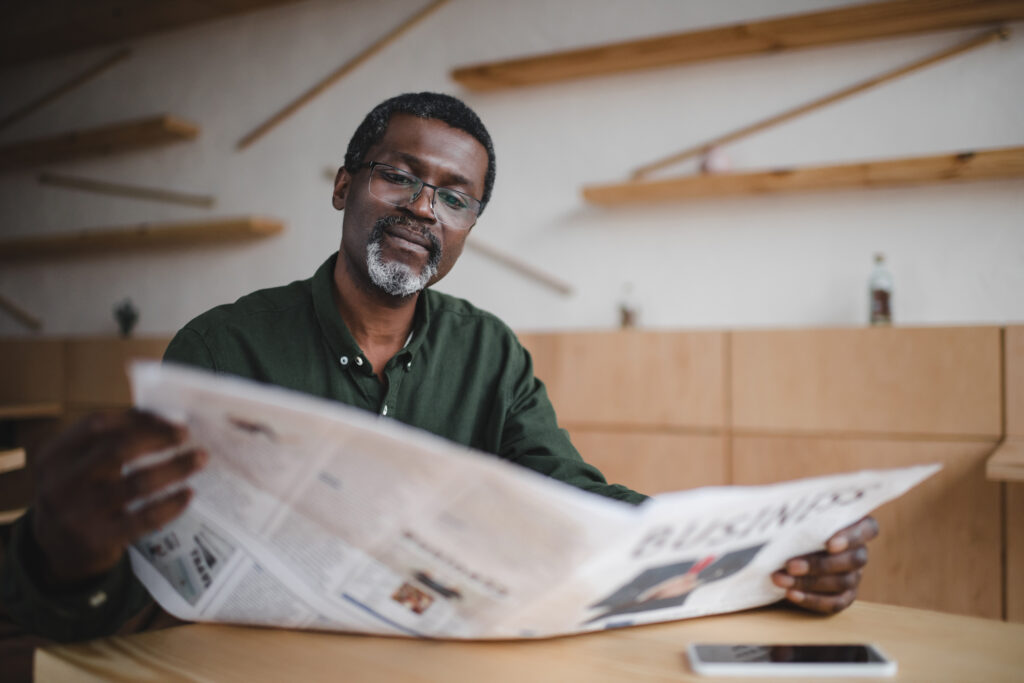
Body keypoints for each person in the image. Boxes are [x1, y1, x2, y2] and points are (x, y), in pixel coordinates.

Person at [0, 92, 877, 642]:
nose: (425, 207)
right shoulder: (224, 346)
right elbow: (150, 565)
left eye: (454, 196)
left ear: (468, 225)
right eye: (399, 177)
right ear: (345, 186)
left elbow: (572, 496)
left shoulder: (489, 349)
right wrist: (61, 550)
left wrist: (759, 553)